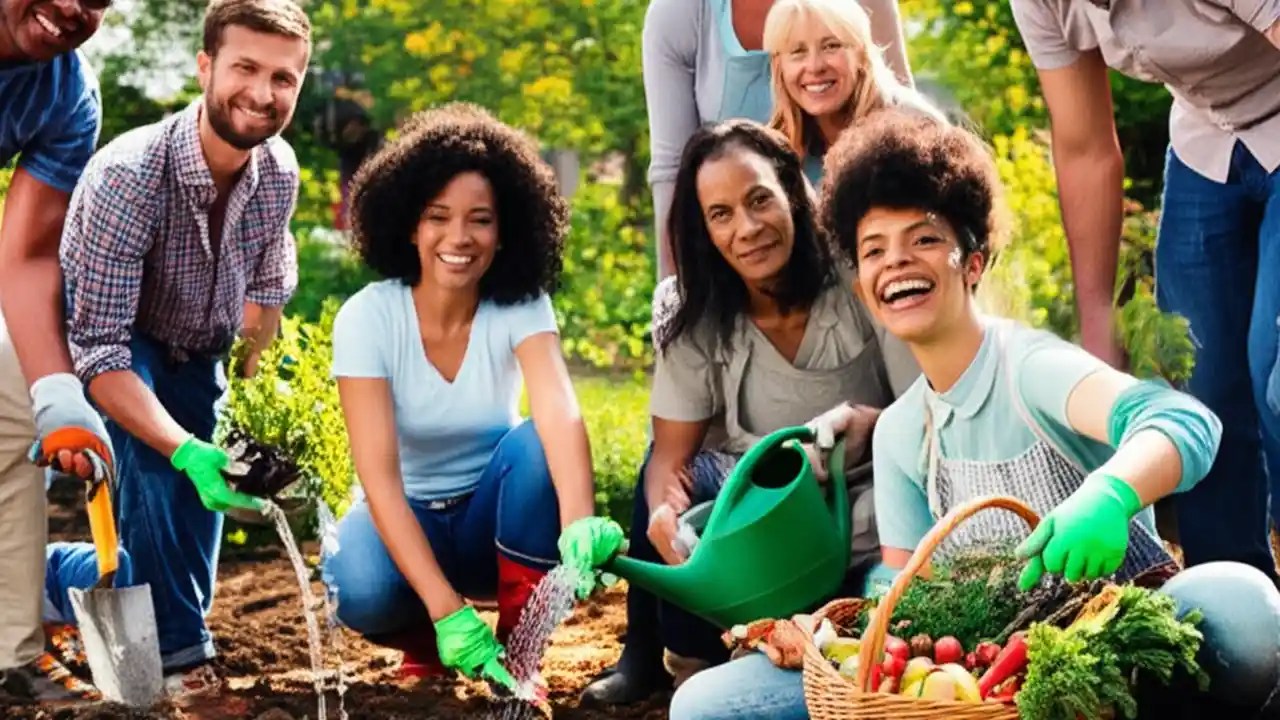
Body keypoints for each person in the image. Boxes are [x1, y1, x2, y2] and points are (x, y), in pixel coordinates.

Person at [670, 109, 1280, 720]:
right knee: (705, 703)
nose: (897, 263)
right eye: (874, 250)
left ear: (974, 261)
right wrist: (852, 639)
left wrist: (1111, 496)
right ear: (862, 288)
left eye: (925, 240)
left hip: (1116, 644)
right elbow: (902, 584)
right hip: (991, 675)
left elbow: (1185, 422)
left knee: (1246, 608)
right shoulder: (903, 431)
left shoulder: (1028, 368)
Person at [582, 118, 920, 706]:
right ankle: (665, 658)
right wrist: (667, 516)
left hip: (868, 504)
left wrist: (873, 425)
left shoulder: (858, 271)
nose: (748, 228)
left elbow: (929, 408)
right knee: (662, 486)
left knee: (873, 637)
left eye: (760, 199)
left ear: (792, 189)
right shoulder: (701, 315)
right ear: (704, 230)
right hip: (758, 518)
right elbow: (670, 456)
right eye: (721, 214)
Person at [54, 0, 312, 698]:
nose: (263, 94)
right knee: (167, 477)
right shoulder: (129, 177)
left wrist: (256, 404)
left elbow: (264, 297)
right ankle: (184, 670)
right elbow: (99, 352)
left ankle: (51, 576)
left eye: (284, 78)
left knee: (199, 517)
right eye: (246, 68)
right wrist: (184, 447)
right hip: (118, 346)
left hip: (199, 350)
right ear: (205, 67)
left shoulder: (279, 173)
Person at [319, 103, 623, 694]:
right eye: (439, 217)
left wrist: (580, 518)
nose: (459, 237)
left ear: (504, 230)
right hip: (409, 528)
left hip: (500, 528)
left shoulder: (520, 303)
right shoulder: (368, 317)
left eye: (480, 220)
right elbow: (378, 480)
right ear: (410, 225)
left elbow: (559, 408)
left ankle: (519, 647)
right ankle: (430, 643)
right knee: (355, 582)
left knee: (536, 444)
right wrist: (446, 609)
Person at [1006, 0, 1280, 580]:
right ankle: (1234, 610)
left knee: (1275, 372)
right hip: (1209, 142)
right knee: (1200, 390)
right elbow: (1083, 147)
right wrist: (1098, 322)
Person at [0, 0, 118, 702]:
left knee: (14, 402)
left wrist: (56, 393)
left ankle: (10, 653)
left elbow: (26, 257)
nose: (74, 7)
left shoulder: (66, 95)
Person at [642, 0, 915, 280]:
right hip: (741, 273)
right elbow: (672, 172)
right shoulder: (681, 12)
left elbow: (904, 128)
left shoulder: (871, 6)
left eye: (831, 46)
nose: (814, 65)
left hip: (868, 257)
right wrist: (675, 303)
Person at [762, 0, 944, 186]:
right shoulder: (772, 154)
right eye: (798, 51)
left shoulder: (916, 129)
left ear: (862, 54)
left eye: (831, 46)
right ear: (779, 67)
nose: (815, 66)